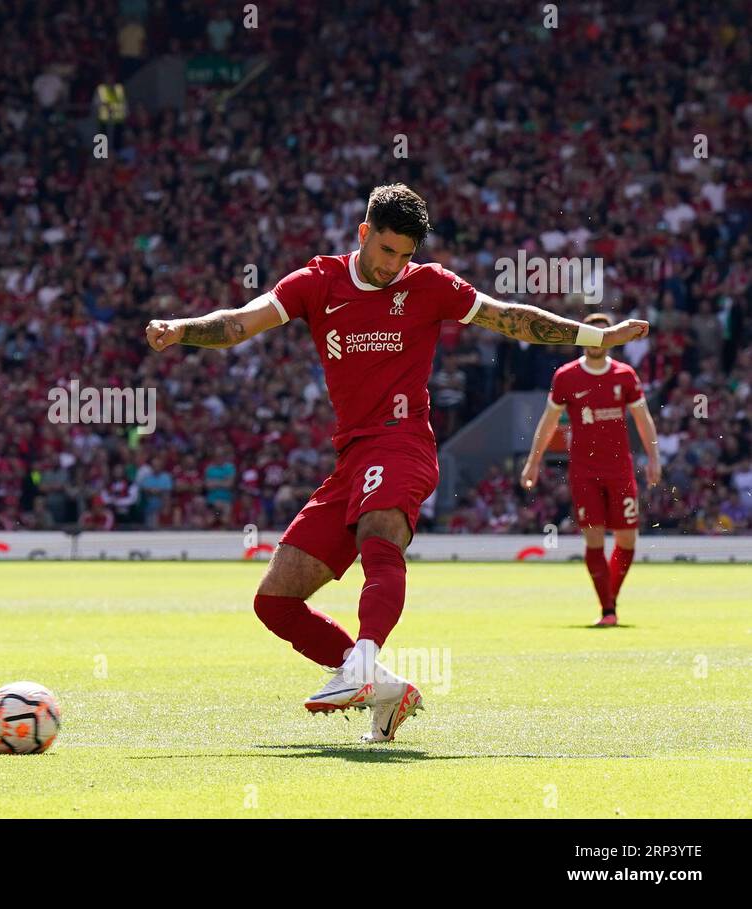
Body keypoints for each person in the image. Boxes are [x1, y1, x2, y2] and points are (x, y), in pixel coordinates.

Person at [145, 184, 648, 742]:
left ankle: (362, 661)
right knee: (275, 601)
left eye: (406, 255)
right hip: (351, 457)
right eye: (387, 251)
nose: (395, 266)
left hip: (403, 442)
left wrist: (591, 335)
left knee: (379, 535)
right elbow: (242, 323)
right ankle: (381, 689)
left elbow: (508, 318)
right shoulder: (317, 282)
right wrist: (183, 330)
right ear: (364, 234)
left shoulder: (429, 285)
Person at [521, 313, 662, 626]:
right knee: (594, 539)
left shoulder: (625, 375)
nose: (597, 340)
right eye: (591, 334)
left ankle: (609, 599)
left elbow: (643, 418)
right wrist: (533, 461)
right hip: (584, 472)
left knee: (627, 540)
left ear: (611, 339)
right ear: (582, 338)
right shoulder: (566, 377)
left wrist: (654, 458)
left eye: (603, 334)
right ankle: (608, 610)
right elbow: (548, 422)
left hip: (620, 470)